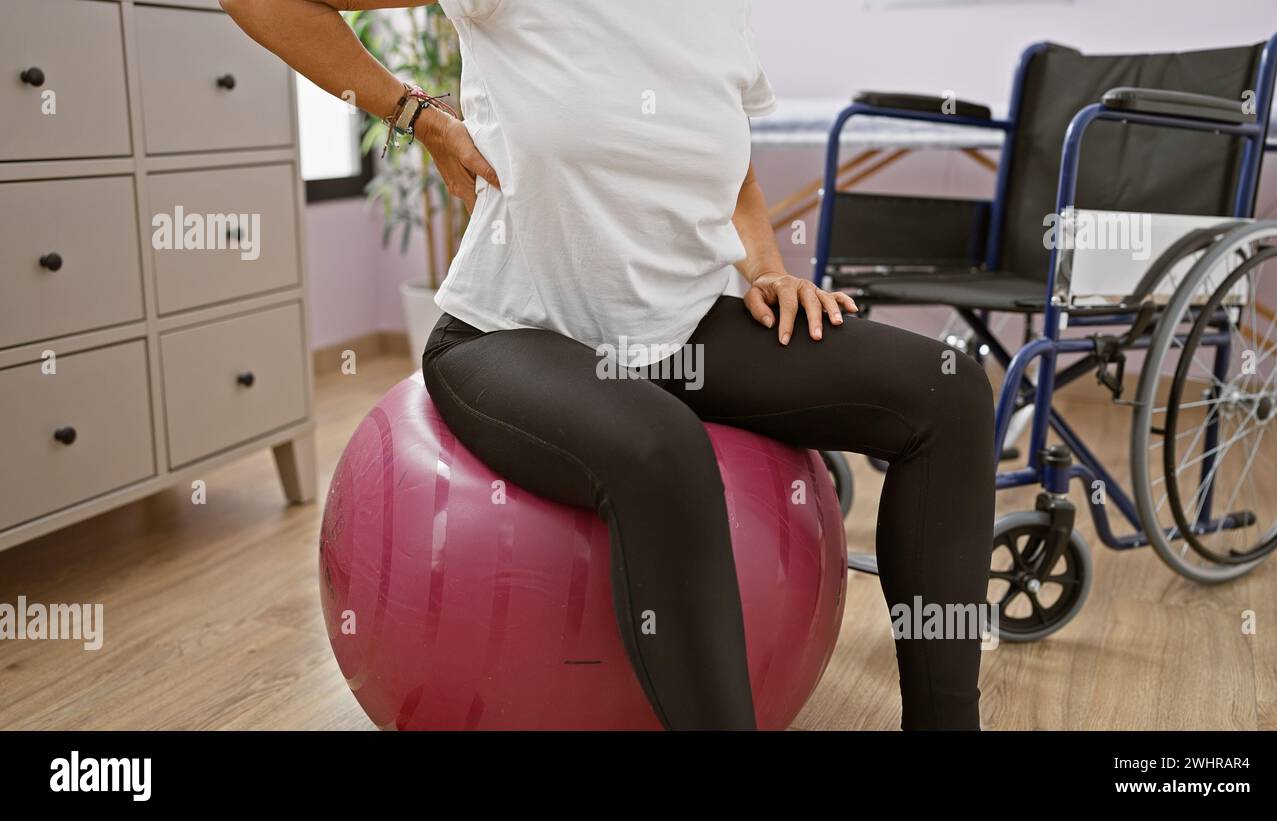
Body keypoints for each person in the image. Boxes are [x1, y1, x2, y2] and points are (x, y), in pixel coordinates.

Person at [223, 0, 995, 731]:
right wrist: (416, 114)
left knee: (948, 394)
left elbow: (738, 169)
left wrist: (766, 268)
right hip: (508, 333)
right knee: (663, 451)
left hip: (680, 330)